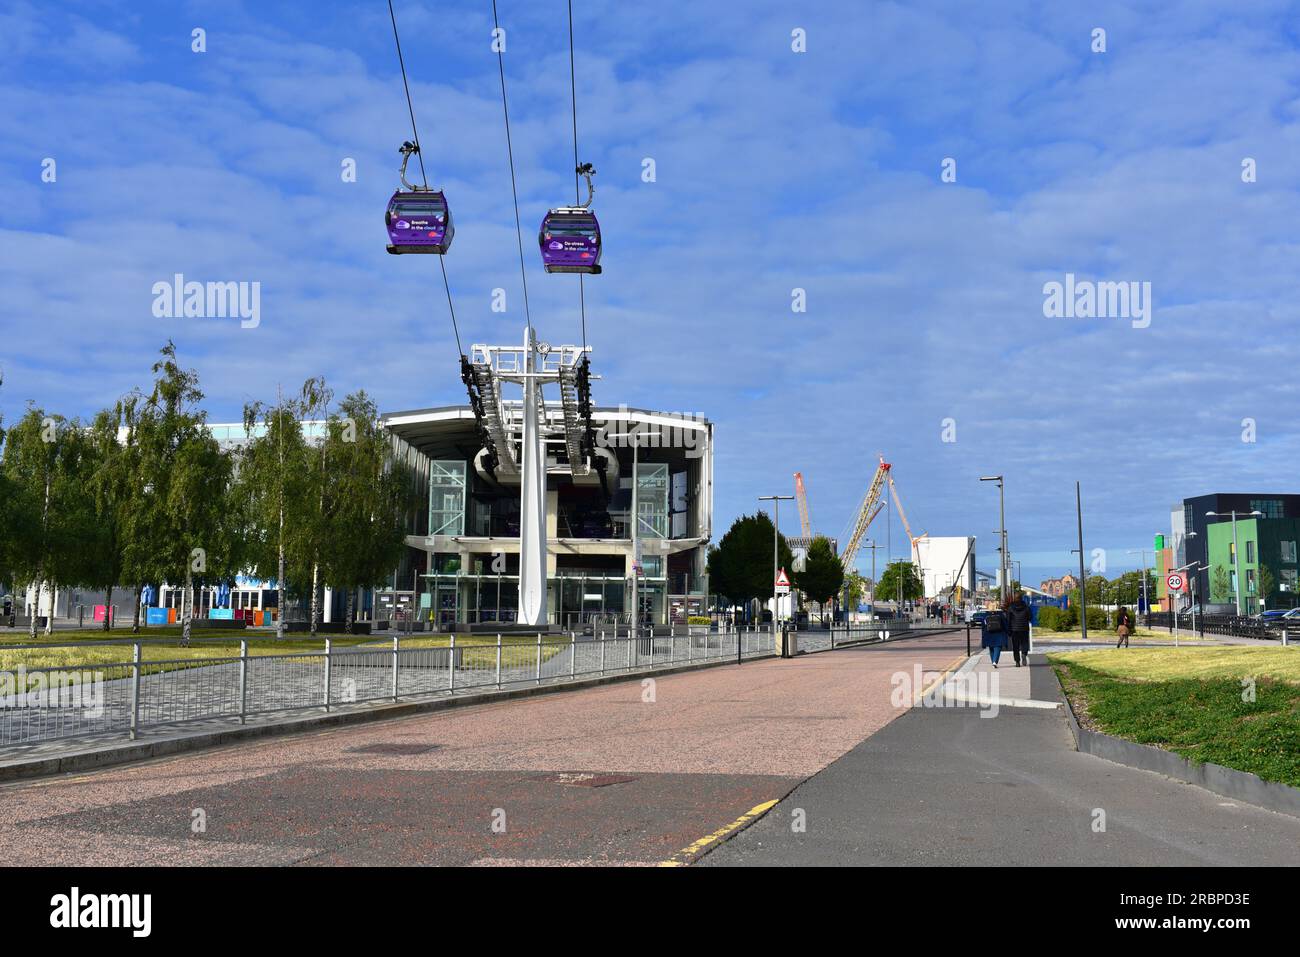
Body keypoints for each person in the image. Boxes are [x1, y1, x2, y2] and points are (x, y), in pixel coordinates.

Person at [1006, 591, 1032, 667]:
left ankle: (1017, 662)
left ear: (1014, 598)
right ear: (1021, 598)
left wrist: (1009, 630)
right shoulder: (1026, 606)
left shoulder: (1010, 607)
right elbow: (1030, 617)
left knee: (1015, 646)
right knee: (1025, 643)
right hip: (1024, 628)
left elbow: (1008, 619)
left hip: (1014, 629)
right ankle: (1024, 654)